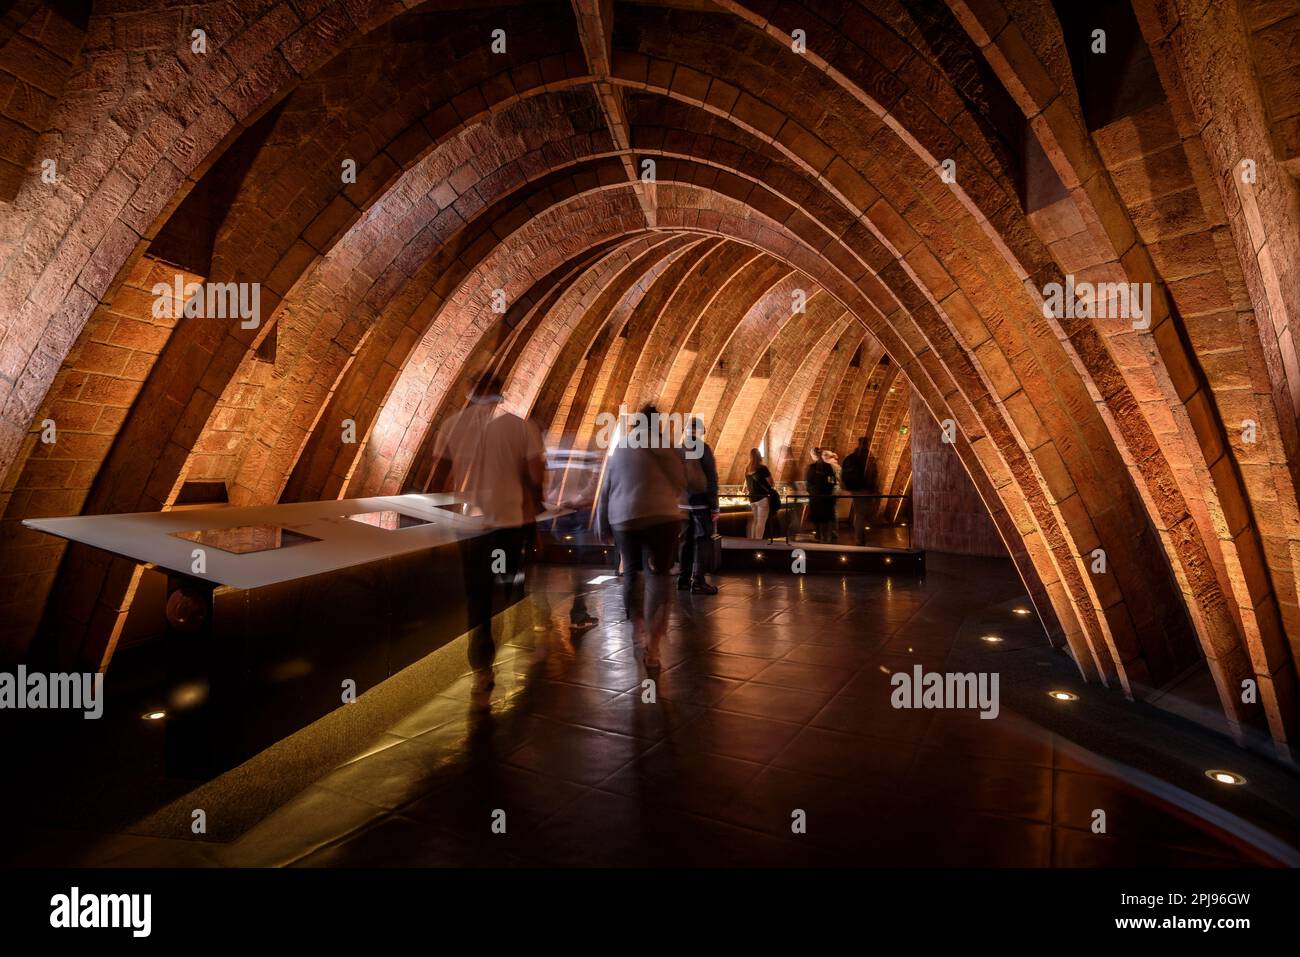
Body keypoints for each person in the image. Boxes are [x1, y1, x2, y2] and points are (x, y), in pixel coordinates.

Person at [428, 370, 546, 709]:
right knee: (509, 585)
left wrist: (439, 518)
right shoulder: (520, 427)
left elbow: (439, 475)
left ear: (469, 391)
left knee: (477, 595)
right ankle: (514, 638)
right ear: (500, 393)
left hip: (473, 526)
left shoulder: (453, 424)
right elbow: (536, 477)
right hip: (511, 522)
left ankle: (483, 666)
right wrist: (535, 520)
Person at [596, 405, 687, 667]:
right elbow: (680, 482)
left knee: (632, 573)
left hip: (625, 518)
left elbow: (607, 488)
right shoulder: (667, 446)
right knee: (659, 577)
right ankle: (654, 647)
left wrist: (602, 522)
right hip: (662, 518)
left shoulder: (622, 447)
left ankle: (638, 628)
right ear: (658, 423)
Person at [677, 417, 720, 594]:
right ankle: (699, 580)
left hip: (683, 504)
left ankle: (683, 579)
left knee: (685, 543)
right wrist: (714, 506)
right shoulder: (703, 448)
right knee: (703, 541)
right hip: (701, 504)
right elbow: (711, 478)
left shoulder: (679, 450)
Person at [840, 436, 875, 546]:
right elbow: (872, 473)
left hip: (857, 490)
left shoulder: (851, 457)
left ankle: (860, 537)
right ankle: (860, 539)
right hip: (863, 490)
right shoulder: (867, 457)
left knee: (860, 514)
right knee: (860, 515)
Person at [805, 446, 838, 542]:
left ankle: (825, 537)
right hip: (816, 497)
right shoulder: (812, 467)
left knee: (824, 520)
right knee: (817, 520)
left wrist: (828, 490)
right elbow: (809, 482)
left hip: (825, 497)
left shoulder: (827, 467)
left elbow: (832, 480)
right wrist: (813, 491)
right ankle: (819, 536)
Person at [745, 448, 776, 540]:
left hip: (752, 498)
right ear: (759, 456)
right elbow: (771, 483)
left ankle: (752, 540)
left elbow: (747, 485)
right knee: (761, 522)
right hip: (762, 498)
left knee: (754, 520)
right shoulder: (763, 468)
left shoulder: (747, 469)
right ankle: (758, 541)